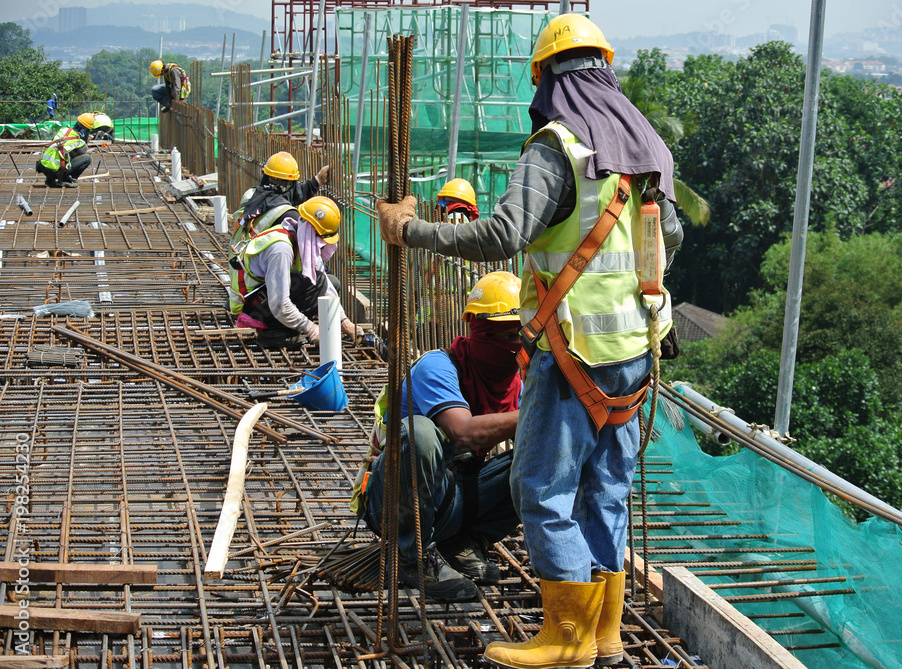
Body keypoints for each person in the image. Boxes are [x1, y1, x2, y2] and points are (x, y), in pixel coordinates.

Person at [376, 14, 683, 668]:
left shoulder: (557, 147)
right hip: (637, 354)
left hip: (574, 353)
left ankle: (565, 639)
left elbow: (503, 233)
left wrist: (413, 231)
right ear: (605, 68)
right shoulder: (647, 148)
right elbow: (670, 240)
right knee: (604, 490)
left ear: (543, 79)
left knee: (541, 487)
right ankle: (604, 632)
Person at [350, 271, 523, 602]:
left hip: (452, 498)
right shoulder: (438, 368)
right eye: (507, 336)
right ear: (480, 332)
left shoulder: (515, 384)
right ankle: (414, 556)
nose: (516, 347)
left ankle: (466, 540)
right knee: (422, 434)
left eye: (522, 336)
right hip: (392, 504)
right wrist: (539, 413)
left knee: (542, 451)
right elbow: (463, 432)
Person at [229, 151, 361, 342]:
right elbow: (280, 304)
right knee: (314, 284)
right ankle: (273, 332)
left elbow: (322, 279)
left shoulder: (254, 196)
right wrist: (310, 328)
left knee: (326, 281)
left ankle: (285, 323)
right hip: (254, 304)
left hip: (250, 284)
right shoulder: (281, 246)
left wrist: (344, 322)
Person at [35, 114, 94, 188]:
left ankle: (50, 180)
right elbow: (81, 154)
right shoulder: (79, 142)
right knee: (87, 158)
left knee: (57, 151)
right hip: (55, 171)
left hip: (43, 166)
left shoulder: (63, 130)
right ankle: (67, 180)